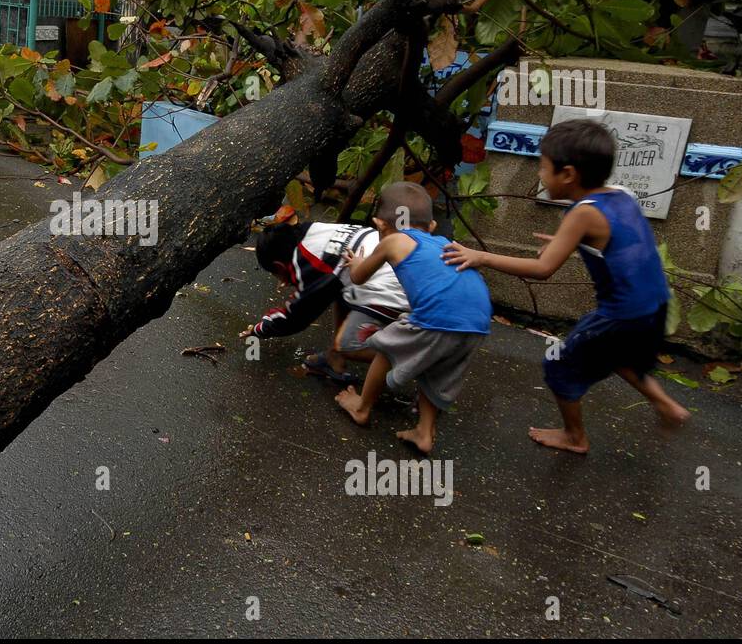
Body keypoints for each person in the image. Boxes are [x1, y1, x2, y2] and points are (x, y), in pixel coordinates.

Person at [442, 118, 689, 453]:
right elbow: (619, 241)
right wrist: (566, 241)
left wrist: (481, 257)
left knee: (559, 365)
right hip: (655, 305)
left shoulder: (582, 214)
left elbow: (543, 270)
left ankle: (575, 437)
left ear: (569, 174)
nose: (540, 176)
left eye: (544, 169)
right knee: (615, 354)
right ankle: (667, 405)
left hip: (621, 314)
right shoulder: (621, 195)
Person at [336, 182, 492, 454]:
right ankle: (424, 431)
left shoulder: (393, 240)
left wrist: (355, 263)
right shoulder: (442, 242)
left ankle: (361, 407)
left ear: (380, 225)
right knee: (438, 369)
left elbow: (359, 278)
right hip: (477, 319)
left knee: (386, 347)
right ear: (431, 225)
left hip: (439, 316)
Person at [240, 219, 409, 384]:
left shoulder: (310, 265)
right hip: (404, 265)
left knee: (347, 345)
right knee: (340, 289)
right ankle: (334, 356)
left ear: (279, 267)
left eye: (275, 274)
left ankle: (416, 358)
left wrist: (259, 329)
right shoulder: (312, 230)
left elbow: (294, 318)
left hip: (396, 289)